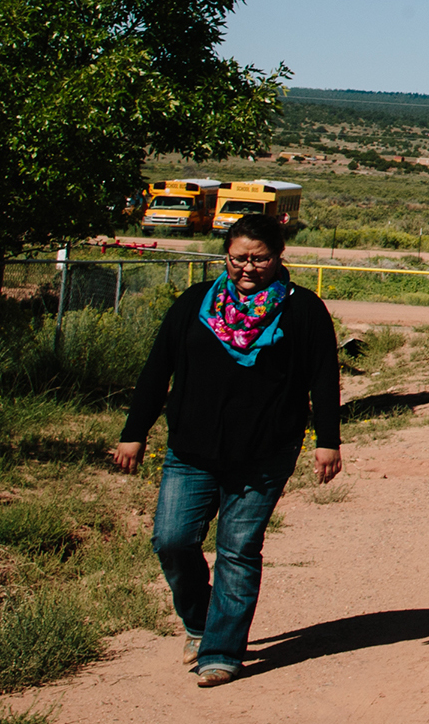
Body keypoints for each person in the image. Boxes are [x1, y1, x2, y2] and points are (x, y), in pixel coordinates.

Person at [112, 214, 342, 687]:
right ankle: (200, 621)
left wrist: (327, 441)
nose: (248, 268)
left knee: (237, 549)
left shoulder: (302, 309)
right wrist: (135, 431)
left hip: (264, 452)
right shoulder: (195, 303)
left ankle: (221, 651)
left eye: (259, 258)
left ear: (279, 256)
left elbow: (323, 376)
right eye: (239, 258)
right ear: (226, 256)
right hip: (191, 449)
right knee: (172, 541)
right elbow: (159, 368)